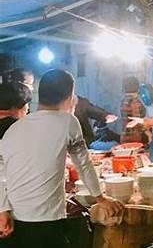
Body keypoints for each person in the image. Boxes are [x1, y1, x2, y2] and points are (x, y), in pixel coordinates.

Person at [0, 69, 123, 247]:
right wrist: (101, 199)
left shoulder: (15, 128)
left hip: (15, 219)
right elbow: (84, 164)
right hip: (47, 219)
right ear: (69, 96)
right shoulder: (68, 122)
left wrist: (3, 209)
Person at [120, 76, 146, 144]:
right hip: (136, 139)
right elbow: (137, 122)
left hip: (124, 136)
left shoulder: (123, 101)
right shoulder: (135, 101)